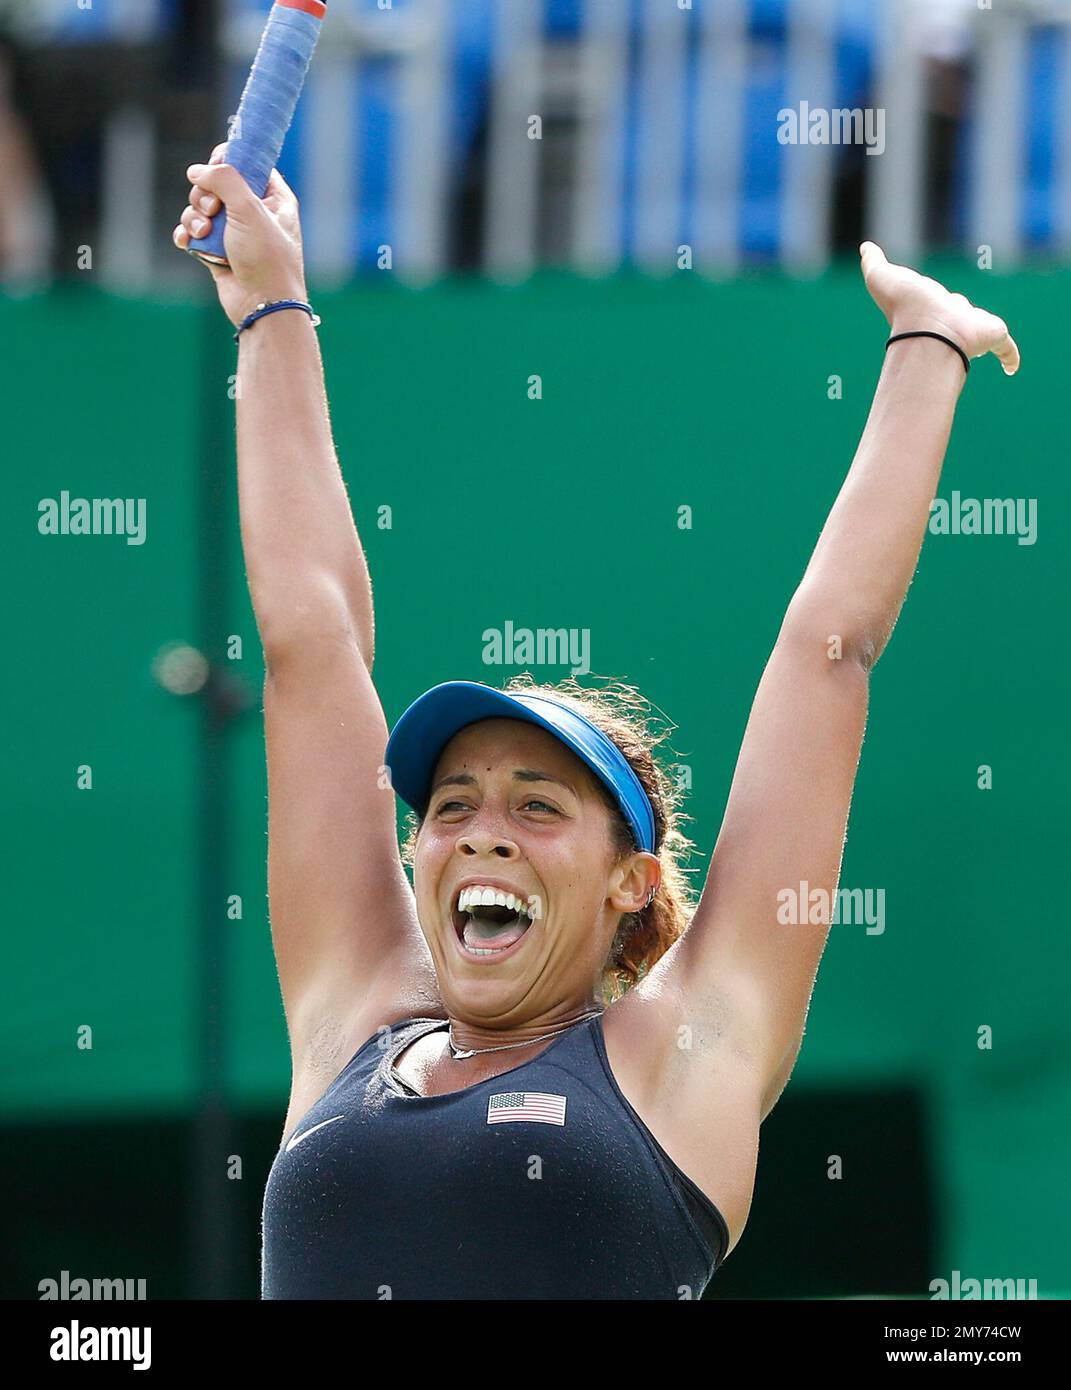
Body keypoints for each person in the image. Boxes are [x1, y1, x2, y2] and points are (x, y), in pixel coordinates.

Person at [173, 153, 1020, 1300]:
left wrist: (927, 350)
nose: (479, 831)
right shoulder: (354, 1014)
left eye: (536, 805)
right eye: (454, 803)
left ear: (630, 880)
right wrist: (271, 306)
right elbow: (309, 647)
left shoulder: (684, 1054)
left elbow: (828, 657)